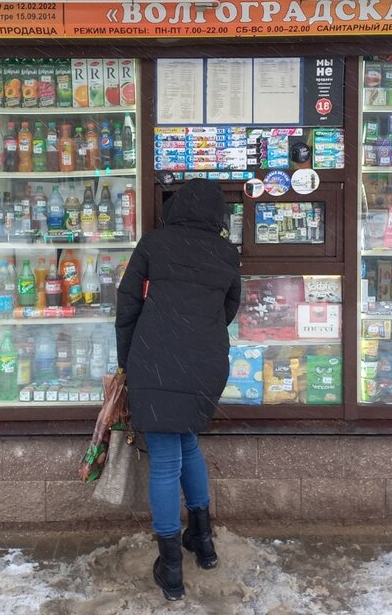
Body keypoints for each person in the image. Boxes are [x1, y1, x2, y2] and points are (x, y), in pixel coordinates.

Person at [115, 178, 241, 601]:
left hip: (155, 358)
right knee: (187, 443)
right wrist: (198, 336)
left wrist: (126, 359)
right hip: (204, 364)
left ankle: (170, 568)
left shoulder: (154, 243)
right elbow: (228, 307)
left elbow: (128, 303)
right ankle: (202, 542)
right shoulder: (226, 253)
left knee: (166, 460)